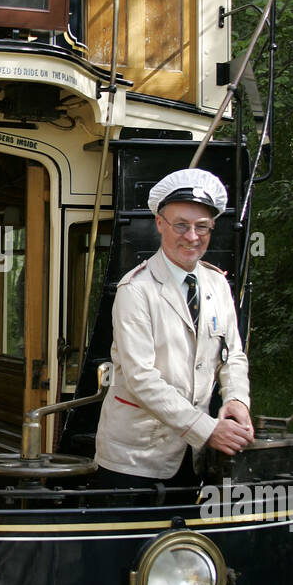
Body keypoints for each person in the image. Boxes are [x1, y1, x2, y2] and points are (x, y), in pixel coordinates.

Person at [95, 168, 253, 488]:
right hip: (135, 461)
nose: (192, 236)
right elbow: (141, 378)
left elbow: (232, 354)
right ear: (159, 224)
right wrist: (207, 429)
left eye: (202, 226)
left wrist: (237, 400)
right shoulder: (136, 290)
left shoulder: (217, 284)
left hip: (192, 455)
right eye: (181, 225)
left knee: (184, 540)